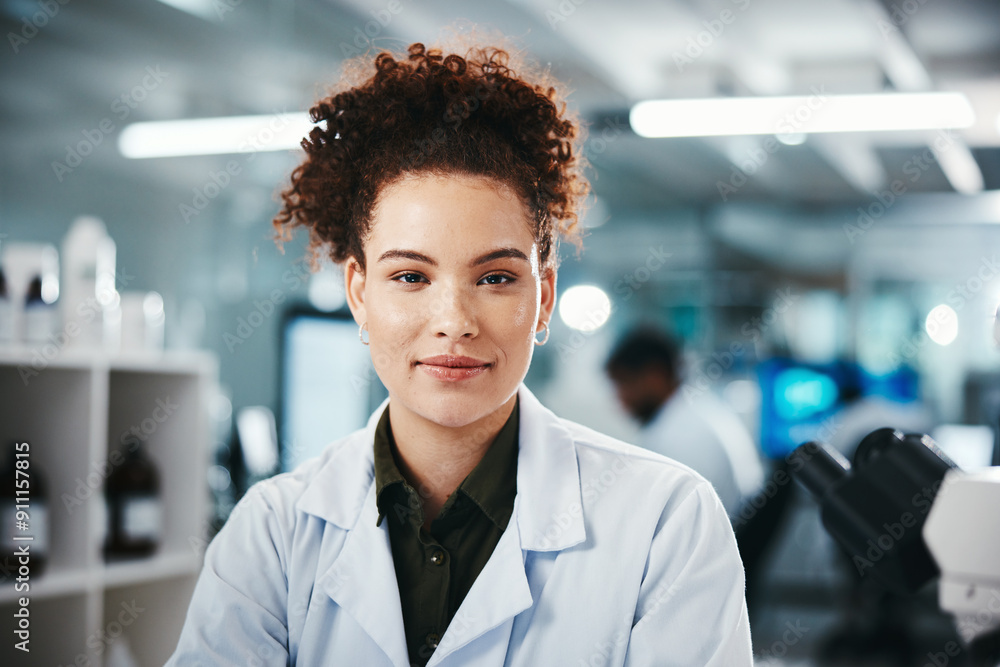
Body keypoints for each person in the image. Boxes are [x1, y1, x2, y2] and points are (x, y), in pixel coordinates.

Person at [167, 40, 752, 666]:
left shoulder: (666, 525)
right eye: (411, 277)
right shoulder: (272, 534)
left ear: (545, 297)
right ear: (359, 294)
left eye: (496, 277)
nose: (454, 323)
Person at [605, 328, 765, 519]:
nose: (620, 400)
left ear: (655, 376)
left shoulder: (679, 438)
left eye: (624, 383)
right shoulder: (698, 410)